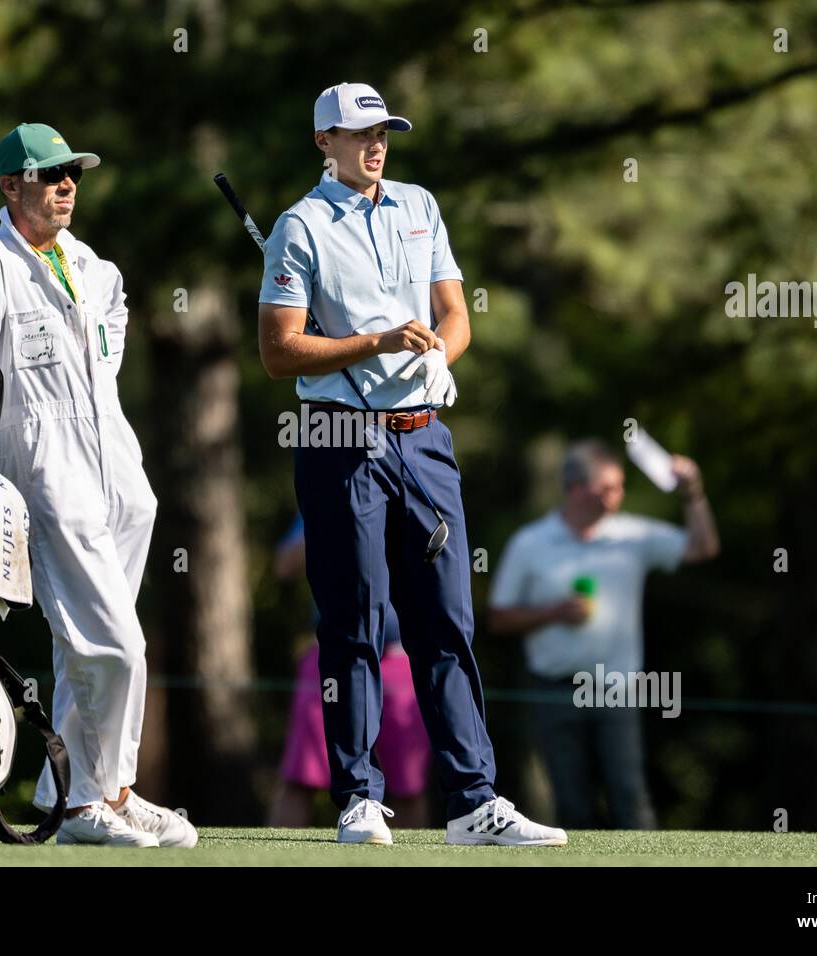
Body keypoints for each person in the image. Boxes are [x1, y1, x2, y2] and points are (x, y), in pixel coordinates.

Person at [258, 82, 567, 846]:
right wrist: (378, 342)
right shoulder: (299, 226)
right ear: (324, 141)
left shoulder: (420, 206)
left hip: (424, 438)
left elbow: (454, 315)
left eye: (384, 132)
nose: (377, 145)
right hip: (338, 438)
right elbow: (279, 351)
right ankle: (359, 798)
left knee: (446, 619)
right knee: (354, 620)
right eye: (361, 133)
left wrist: (439, 359)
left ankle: (474, 801)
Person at [0, 123, 195, 848]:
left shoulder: (93, 267)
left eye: (72, 172)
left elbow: (109, 335)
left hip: (119, 478)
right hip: (48, 481)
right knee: (115, 647)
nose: (66, 184)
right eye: (49, 174)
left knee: (90, 648)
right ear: (11, 185)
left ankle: (92, 794)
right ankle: (93, 801)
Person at [488, 439, 720, 829]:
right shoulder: (530, 543)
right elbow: (498, 618)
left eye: (620, 487)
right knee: (571, 804)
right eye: (608, 487)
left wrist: (692, 492)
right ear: (576, 488)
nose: (618, 496)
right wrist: (553, 613)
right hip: (553, 688)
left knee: (630, 798)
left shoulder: (633, 535)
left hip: (617, 689)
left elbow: (703, 548)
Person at [269, 515, 432, 828]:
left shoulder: (417, 500)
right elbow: (284, 566)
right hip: (332, 656)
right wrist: (343, 523)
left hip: (401, 660)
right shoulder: (330, 496)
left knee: (408, 786)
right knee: (301, 777)